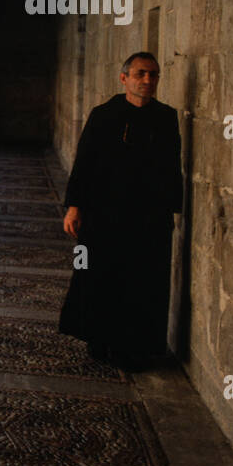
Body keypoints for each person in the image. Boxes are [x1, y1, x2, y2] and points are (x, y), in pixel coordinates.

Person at [58, 52, 182, 371]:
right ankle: (101, 339)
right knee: (102, 275)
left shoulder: (166, 117)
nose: (147, 80)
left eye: (153, 75)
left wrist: (171, 210)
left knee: (144, 281)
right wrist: (74, 207)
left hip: (148, 217)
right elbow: (84, 162)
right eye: (140, 74)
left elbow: (172, 166)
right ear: (124, 78)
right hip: (104, 213)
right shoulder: (104, 115)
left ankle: (136, 347)